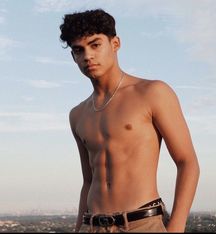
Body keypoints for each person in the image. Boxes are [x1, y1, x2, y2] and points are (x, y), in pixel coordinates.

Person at [59, 9, 200, 233]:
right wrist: (78, 229)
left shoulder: (152, 93)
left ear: (115, 44)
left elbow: (188, 163)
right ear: (73, 56)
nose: (87, 56)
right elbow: (88, 181)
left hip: (141, 223)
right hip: (91, 225)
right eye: (79, 50)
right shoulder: (77, 114)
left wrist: (176, 227)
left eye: (95, 45)